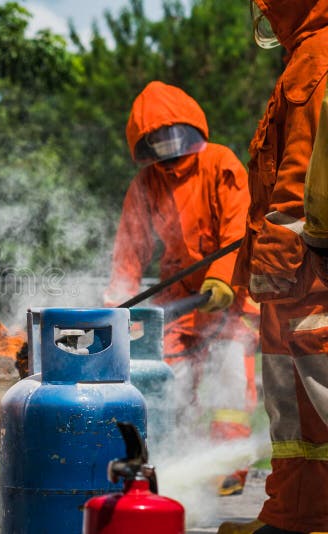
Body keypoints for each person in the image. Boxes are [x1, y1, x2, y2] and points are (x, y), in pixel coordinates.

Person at [104, 81, 259, 495]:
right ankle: (172, 461)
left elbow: (237, 229)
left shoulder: (222, 163)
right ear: (144, 144)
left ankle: (229, 468)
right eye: (157, 140)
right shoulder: (145, 184)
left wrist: (222, 277)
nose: (169, 147)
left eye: (175, 134)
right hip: (179, 298)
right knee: (169, 381)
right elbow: (129, 252)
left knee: (228, 382)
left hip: (229, 293)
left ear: (194, 127)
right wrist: (118, 309)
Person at [220, 2, 328, 533]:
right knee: (295, 414)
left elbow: (303, 169)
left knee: (321, 390)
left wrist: (279, 247)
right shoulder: (300, 57)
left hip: (309, 266)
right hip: (293, 267)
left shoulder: (319, 57)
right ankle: (295, 516)